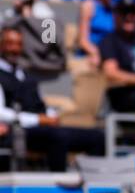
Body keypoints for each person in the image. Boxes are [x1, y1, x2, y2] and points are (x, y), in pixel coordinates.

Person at [0, 26, 104, 172]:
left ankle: (96, 184)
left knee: (96, 137)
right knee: (57, 137)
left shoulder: (27, 75)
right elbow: (2, 113)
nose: (15, 49)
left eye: (18, 44)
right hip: (17, 131)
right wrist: (38, 119)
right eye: (10, 43)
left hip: (43, 127)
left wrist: (51, 115)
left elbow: (40, 103)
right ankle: (58, 184)